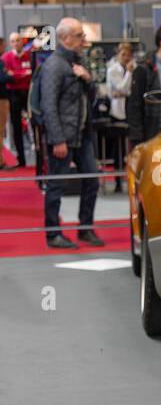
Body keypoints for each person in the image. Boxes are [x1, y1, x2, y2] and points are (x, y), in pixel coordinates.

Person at [39, 17, 103, 249]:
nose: (83, 40)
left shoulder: (78, 63)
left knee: (92, 181)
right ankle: (53, 233)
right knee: (56, 186)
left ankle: (85, 228)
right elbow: (48, 105)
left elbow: (91, 96)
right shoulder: (54, 65)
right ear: (65, 38)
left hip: (82, 134)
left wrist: (88, 79)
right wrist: (57, 139)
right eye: (79, 35)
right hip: (63, 137)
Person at [2, 33, 32, 167]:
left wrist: (16, 74)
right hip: (13, 94)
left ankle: (38, 154)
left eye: (18, 40)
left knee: (35, 122)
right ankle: (21, 160)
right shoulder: (5, 58)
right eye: (13, 41)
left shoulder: (29, 56)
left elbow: (32, 74)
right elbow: (8, 77)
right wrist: (23, 74)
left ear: (22, 42)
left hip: (28, 93)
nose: (15, 43)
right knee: (16, 127)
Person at [105, 42, 134, 122]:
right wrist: (129, 72)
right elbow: (122, 89)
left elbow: (136, 89)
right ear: (118, 55)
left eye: (128, 55)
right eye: (123, 54)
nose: (126, 58)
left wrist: (126, 93)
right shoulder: (113, 70)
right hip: (117, 111)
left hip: (131, 109)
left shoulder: (134, 67)